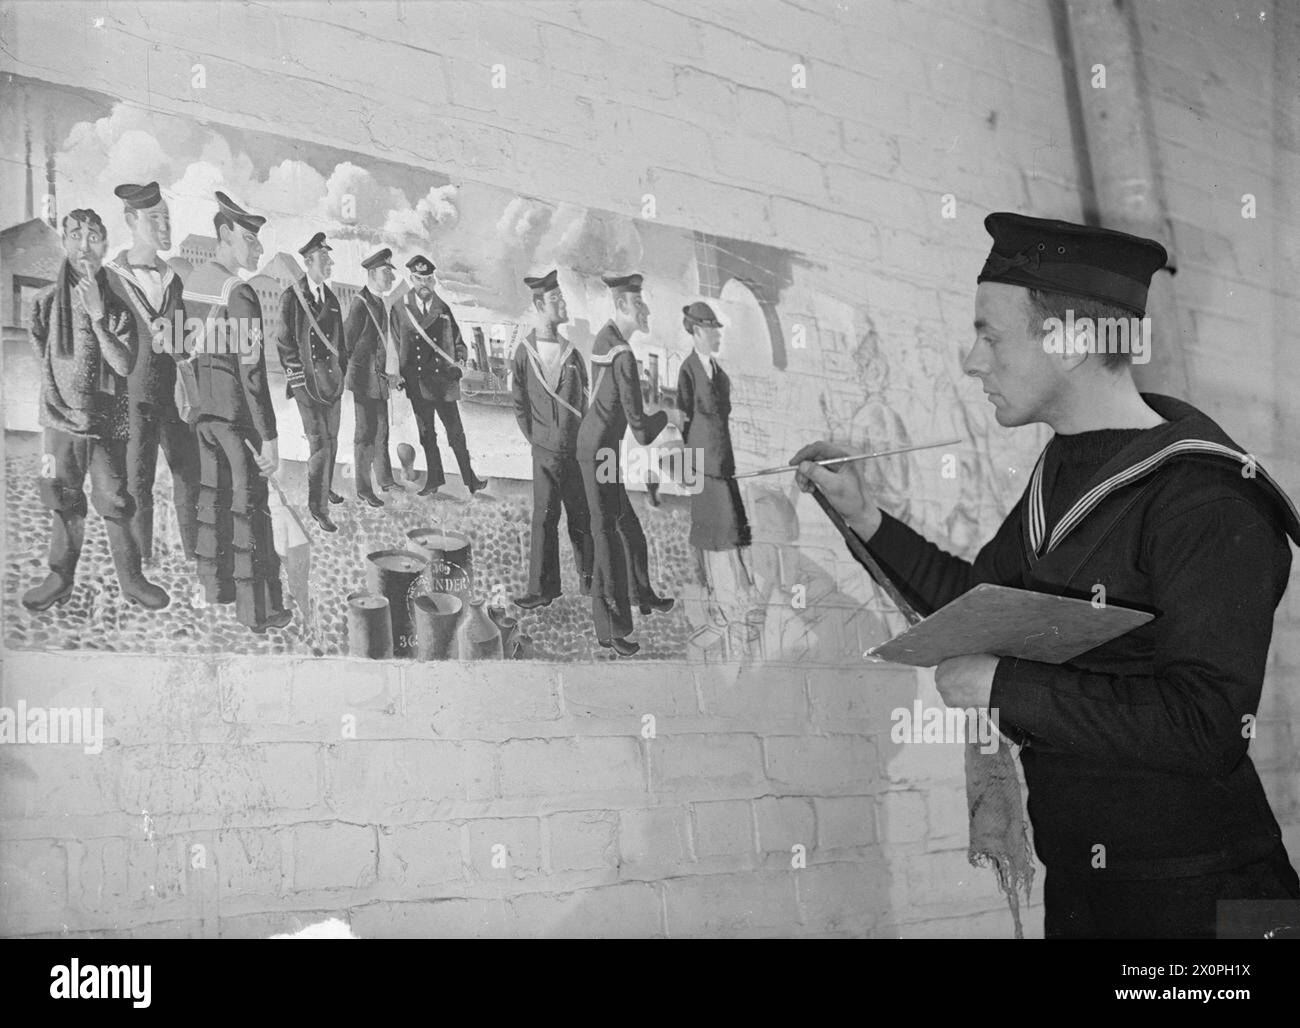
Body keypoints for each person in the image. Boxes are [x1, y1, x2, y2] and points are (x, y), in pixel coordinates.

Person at [792, 212, 1300, 939]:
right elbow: (978, 611)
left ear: (1070, 342)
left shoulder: (1207, 497)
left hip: (1208, 898)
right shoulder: (1063, 469)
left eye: (989, 335)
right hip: (1088, 886)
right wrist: (864, 517)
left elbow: (1207, 726)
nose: (972, 361)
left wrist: (1004, 686)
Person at [23, 208, 169, 612]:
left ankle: (132, 580)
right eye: (75, 235)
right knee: (61, 498)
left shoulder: (118, 305)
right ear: (65, 241)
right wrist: (60, 389)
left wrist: (98, 316)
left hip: (107, 423)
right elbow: (41, 348)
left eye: (93, 236)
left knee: (116, 502)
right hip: (59, 421)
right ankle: (59, 578)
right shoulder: (45, 301)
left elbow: (123, 364)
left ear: (105, 244)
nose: (84, 245)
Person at [184, 191, 291, 633]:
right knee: (250, 511)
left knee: (211, 500)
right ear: (225, 235)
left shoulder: (191, 283)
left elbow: (178, 353)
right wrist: (269, 434)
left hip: (202, 418)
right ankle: (258, 611)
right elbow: (252, 374)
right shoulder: (240, 293)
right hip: (237, 423)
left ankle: (215, 589)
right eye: (251, 239)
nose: (259, 249)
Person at [576, 273, 674, 657]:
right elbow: (643, 430)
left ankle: (642, 595)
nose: (646, 309)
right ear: (621, 306)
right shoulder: (624, 357)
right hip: (600, 451)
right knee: (608, 537)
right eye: (638, 303)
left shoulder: (606, 338)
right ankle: (611, 629)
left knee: (628, 528)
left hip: (600, 448)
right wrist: (669, 416)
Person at [104, 180, 200, 563]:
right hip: (132, 397)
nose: (165, 228)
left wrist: (182, 339)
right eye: (155, 219)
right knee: (137, 481)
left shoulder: (173, 279)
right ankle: (142, 559)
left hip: (172, 398)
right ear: (131, 220)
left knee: (188, 475)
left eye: (168, 219)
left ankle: (193, 553)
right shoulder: (111, 277)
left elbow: (182, 339)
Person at [510, 269, 593, 609]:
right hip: (544, 451)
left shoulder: (573, 354)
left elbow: (583, 402)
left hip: (574, 451)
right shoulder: (524, 352)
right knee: (544, 519)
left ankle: (591, 581)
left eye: (562, 297)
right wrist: (537, 439)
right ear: (540, 305)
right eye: (556, 300)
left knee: (581, 516)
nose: (563, 304)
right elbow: (519, 403)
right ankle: (543, 589)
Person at [677, 301, 758, 631]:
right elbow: (684, 418)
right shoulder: (688, 370)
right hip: (703, 466)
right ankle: (721, 606)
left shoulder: (720, 376)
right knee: (712, 536)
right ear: (697, 331)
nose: (718, 336)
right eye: (712, 330)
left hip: (723, 463)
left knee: (733, 533)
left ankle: (741, 602)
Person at [394, 254, 488, 498]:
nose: (424, 284)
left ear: (433, 280)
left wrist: (459, 362)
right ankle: (434, 481)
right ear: (411, 279)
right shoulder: (400, 308)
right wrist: (399, 374)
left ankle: (471, 480)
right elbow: (394, 345)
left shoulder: (442, 308)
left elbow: (458, 342)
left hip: (445, 383)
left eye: (428, 279)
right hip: (418, 384)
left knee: (456, 434)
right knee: (428, 436)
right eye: (419, 279)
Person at [277, 231, 345, 532]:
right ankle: (318, 509)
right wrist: (297, 381)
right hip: (306, 385)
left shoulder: (331, 300)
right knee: (318, 444)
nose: (330, 262)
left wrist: (340, 377)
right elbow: (284, 343)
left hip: (331, 385)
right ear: (308, 262)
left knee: (332, 441)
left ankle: (325, 487)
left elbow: (339, 344)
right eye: (324, 258)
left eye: (329, 257)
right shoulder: (291, 297)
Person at [341, 246, 399, 507]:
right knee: (364, 436)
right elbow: (346, 343)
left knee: (382, 432)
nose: (392, 278)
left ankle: (385, 479)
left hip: (379, 381)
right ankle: (364, 489)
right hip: (364, 381)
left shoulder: (379, 302)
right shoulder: (360, 303)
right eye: (387, 272)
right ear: (373, 273)